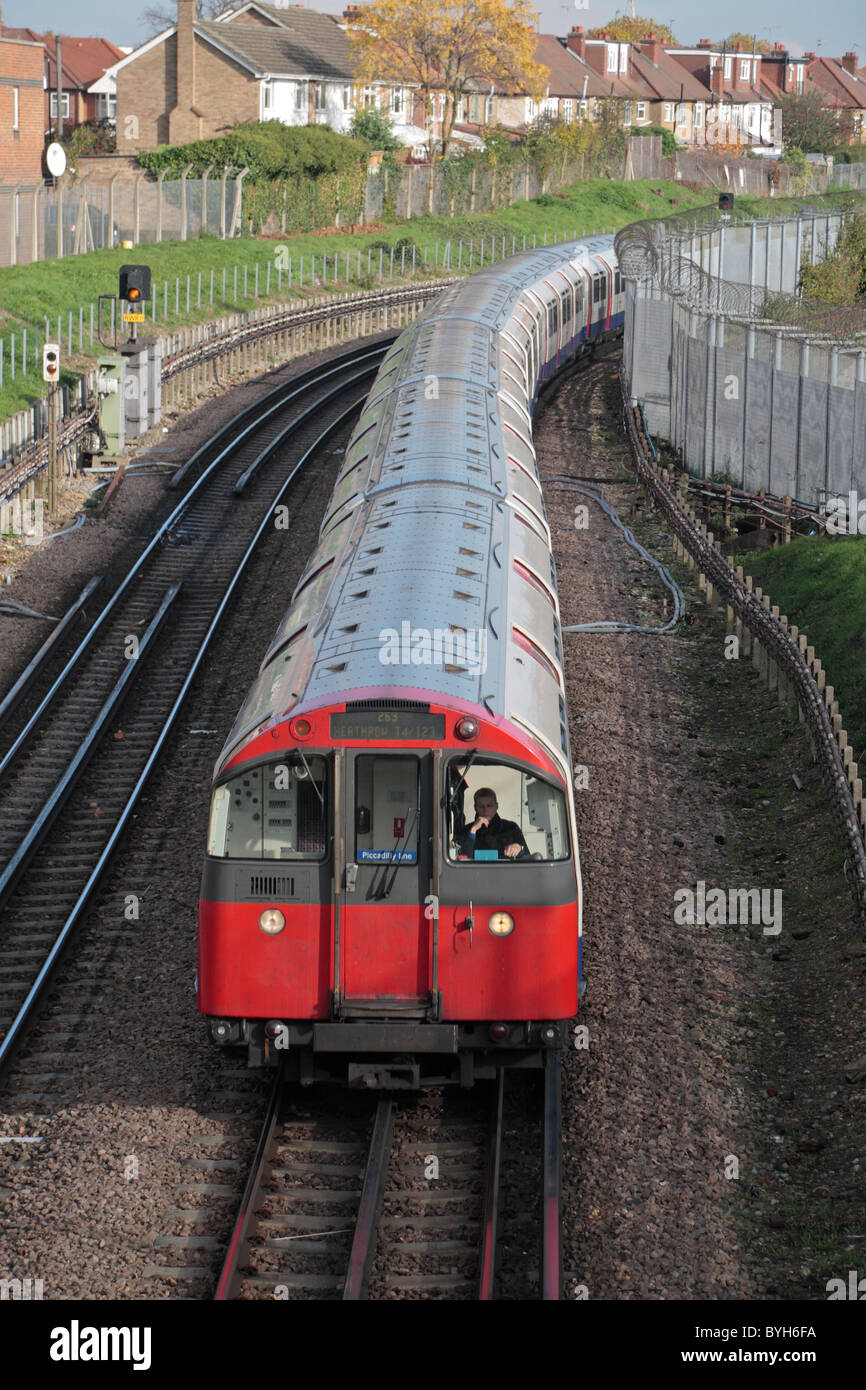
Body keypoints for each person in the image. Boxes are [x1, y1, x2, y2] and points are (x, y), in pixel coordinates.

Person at [457, 788, 527, 860]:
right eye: (481, 806)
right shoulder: (466, 830)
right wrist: (473, 831)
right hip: (475, 870)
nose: (485, 810)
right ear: (475, 808)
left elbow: (527, 857)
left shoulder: (511, 828)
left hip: (504, 870)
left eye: (489, 806)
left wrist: (519, 848)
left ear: (496, 806)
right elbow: (461, 858)